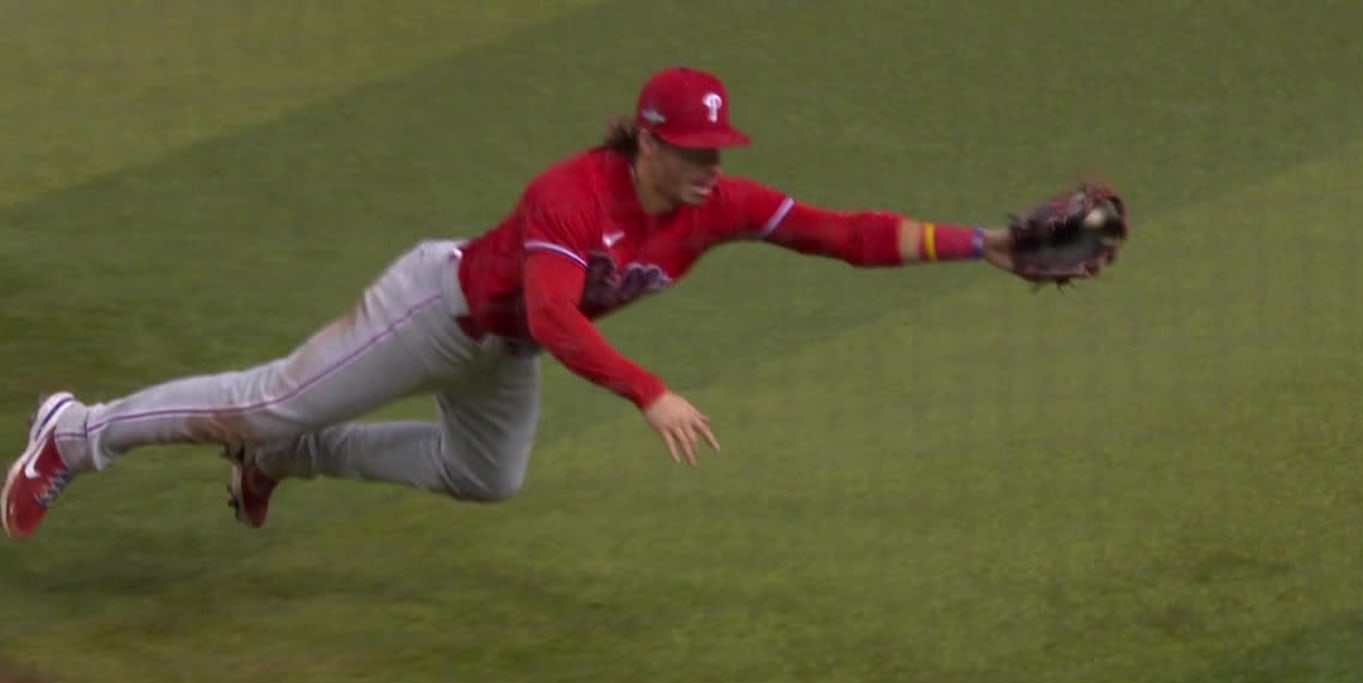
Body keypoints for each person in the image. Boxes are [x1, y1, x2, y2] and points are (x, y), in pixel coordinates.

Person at [2, 66, 1029, 542]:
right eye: (694, 153)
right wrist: (648, 390)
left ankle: (284, 462)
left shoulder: (717, 207)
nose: (712, 170)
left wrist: (983, 244)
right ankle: (75, 432)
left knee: (484, 476)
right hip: (437, 311)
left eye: (720, 154)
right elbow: (551, 316)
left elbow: (847, 234)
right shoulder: (571, 194)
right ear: (647, 141)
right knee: (266, 399)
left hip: (504, 353)